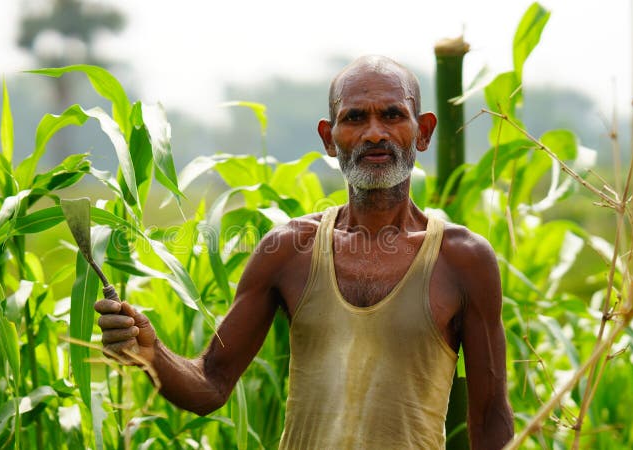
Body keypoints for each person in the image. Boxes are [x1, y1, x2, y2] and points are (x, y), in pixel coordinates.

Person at [95, 55, 513, 449]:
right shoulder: (288, 250)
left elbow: (492, 418)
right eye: (354, 118)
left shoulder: (462, 260)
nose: (373, 133)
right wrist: (150, 351)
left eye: (391, 115)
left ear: (422, 131)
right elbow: (210, 383)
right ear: (329, 139)